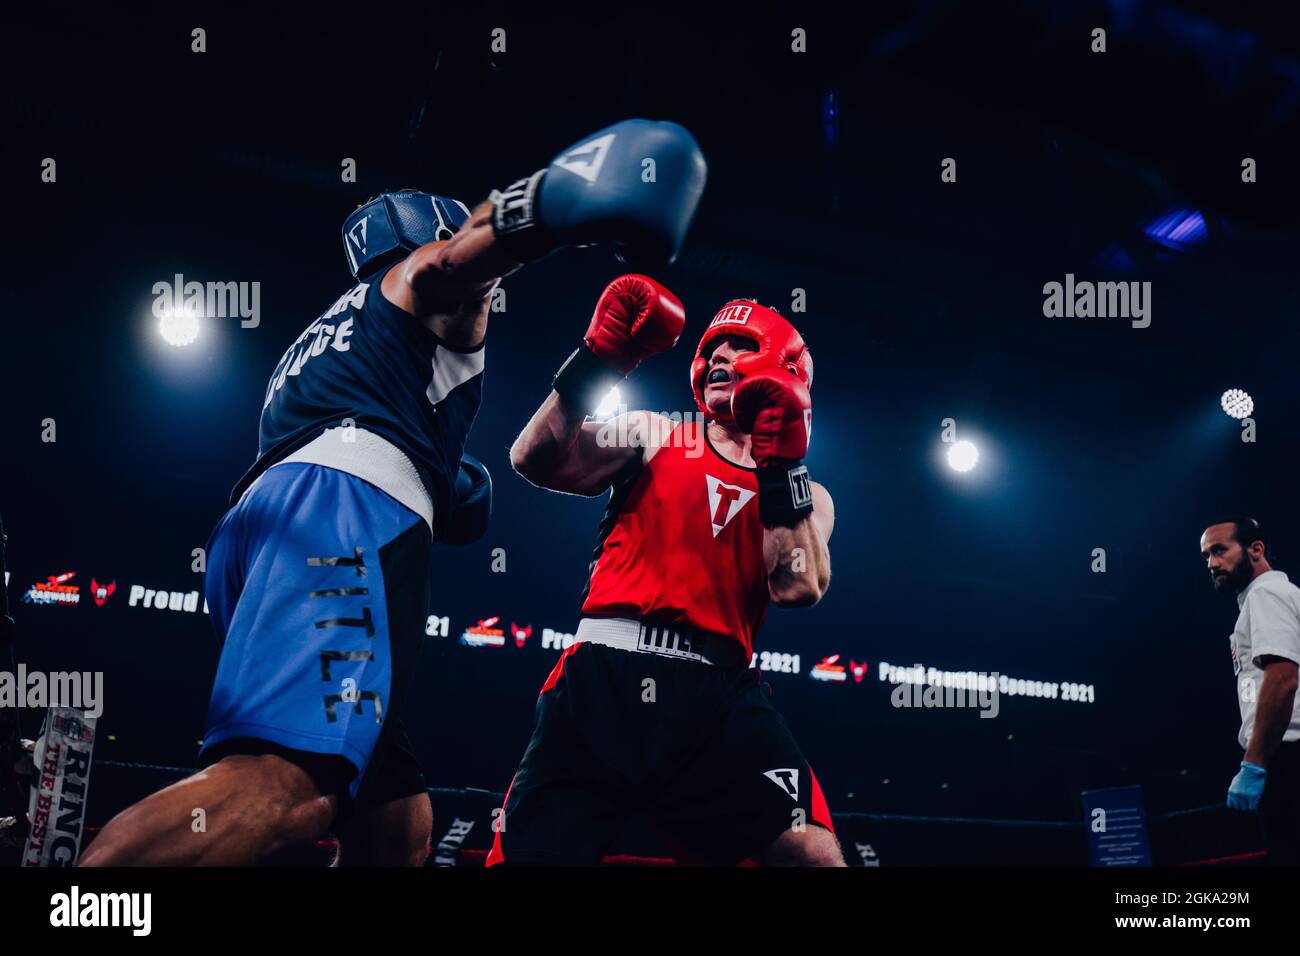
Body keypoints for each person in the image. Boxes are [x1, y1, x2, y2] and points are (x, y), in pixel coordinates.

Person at [80, 120, 706, 866]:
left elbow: (358, 440)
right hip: (342, 519)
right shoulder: (421, 285)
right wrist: (557, 202)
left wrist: (444, 481)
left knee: (395, 821)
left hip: (265, 530)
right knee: (289, 785)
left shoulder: (321, 340)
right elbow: (453, 261)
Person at [489, 278, 843, 866]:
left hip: (719, 696)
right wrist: (601, 357)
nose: (719, 360)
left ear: (785, 370)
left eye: (740, 349)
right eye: (713, 351)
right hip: (606, 676)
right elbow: (534, 458)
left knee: (813, 854)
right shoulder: (653, 432)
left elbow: (798, 586)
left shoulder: (812, 497)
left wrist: (780, 463)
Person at [1200, 518, 1300, 864]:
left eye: (1219, 550)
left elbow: (1284, 678)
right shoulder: (1271, 597)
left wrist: (1254, 763)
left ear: (1256, 549)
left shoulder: (1265, 594)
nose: (1211, 563)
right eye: (1206, 556)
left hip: (1288, 757)